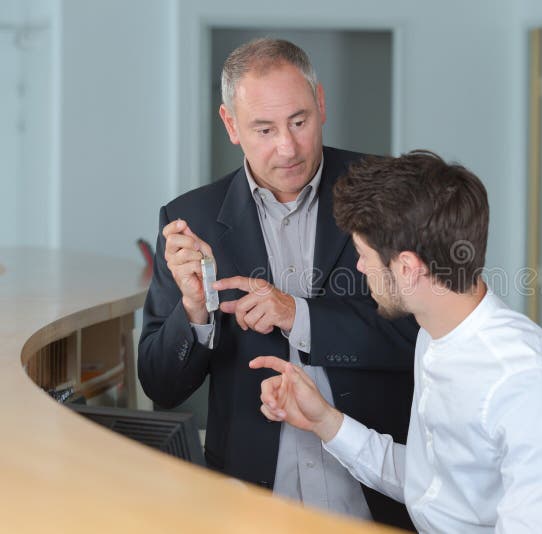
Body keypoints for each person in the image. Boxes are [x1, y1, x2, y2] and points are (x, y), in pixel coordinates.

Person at [138, 38, 417, 529]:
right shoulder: (188, 219)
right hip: (251, 503)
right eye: (264, 129)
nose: (287, 147)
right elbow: (161, 384)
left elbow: (421, 337)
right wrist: (194, 312)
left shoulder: (388, 191)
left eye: (299, 121)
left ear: (321, 103)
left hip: (379, 495)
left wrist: (300, 316)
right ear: (230, 125)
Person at [250, 151, 542, 532]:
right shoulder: (435, 337)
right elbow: (430, 487)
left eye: (364, 255)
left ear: (407, 268)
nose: (360, 267)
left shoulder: (524, 382)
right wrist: (325, 421)